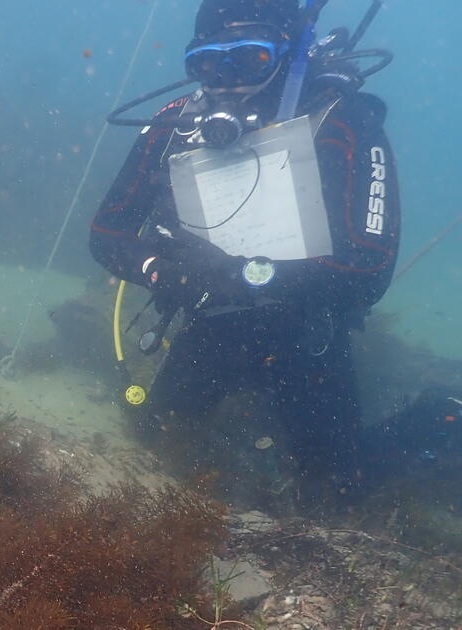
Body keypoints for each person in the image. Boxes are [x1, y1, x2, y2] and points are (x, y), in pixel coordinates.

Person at [89, 0, 401, 504]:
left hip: (307, 334)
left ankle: (436, 421)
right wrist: (161, 272)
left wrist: (248, 277)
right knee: (157, 441)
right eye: (207, 63)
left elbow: (368, 270)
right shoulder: (176, 124)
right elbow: (106, 231)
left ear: (285, 52)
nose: (225, 78)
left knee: (334, 493)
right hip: (210, 325)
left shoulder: (343, 121)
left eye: (251, 58)